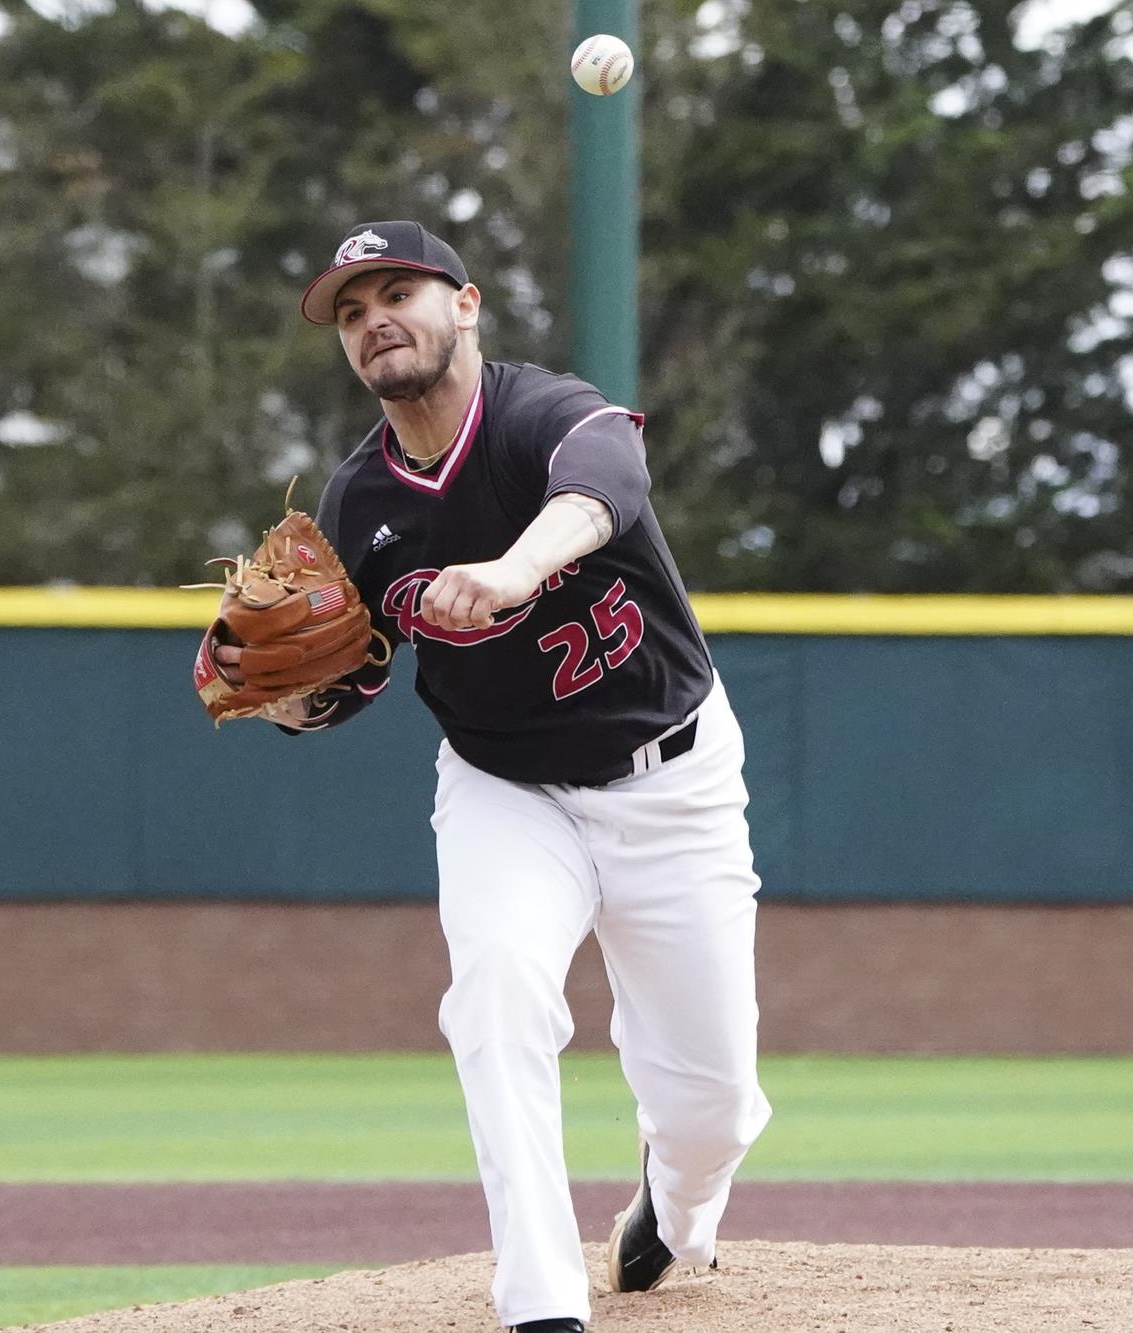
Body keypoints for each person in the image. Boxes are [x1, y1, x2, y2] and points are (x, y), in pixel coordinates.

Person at [219, 220, 772, 1332]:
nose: (374, 317)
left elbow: (608, 476)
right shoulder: (357, 505)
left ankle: (676, 1198)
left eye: (397, 291)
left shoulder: (542, 412)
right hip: (504, 790)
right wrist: (292, 700)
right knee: (497, 996)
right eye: (350, 307)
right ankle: (539, 1301)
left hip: (672, 779)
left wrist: (515, 566)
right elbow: (351, 675)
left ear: (463, 305)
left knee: (708, 1104)